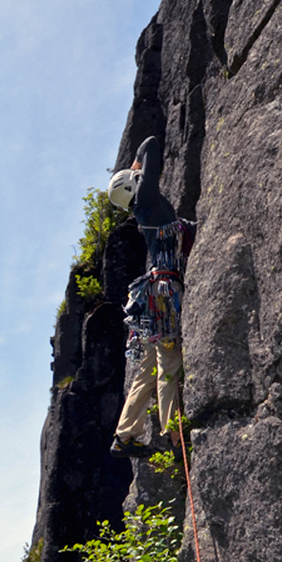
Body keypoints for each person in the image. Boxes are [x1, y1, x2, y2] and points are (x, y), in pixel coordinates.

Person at [108, 135, 195, 458]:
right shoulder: (145, 200)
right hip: (163, 293)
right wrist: (136, 164)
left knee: (147, 368)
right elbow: (150, 144)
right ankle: (174, 433)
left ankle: (126, 433)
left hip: (151, 297)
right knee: (168, 361)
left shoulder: (144, 211)